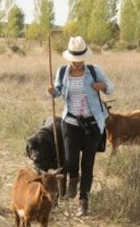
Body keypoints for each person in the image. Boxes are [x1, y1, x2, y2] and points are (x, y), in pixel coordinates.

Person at [47, 36, 114, 217]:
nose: (76, 64)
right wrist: (52, 92)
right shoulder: (62, 72)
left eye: (79, 61)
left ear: (84, 58)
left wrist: (102, 86)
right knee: (70, 160)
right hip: (70, 122)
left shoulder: (93, 71)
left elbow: (111, 87)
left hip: (92, 124)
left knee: (88, 163)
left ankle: (83, 201)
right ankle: (73, 181)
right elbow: (58, 92)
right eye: (73, 61)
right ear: (69, 58)